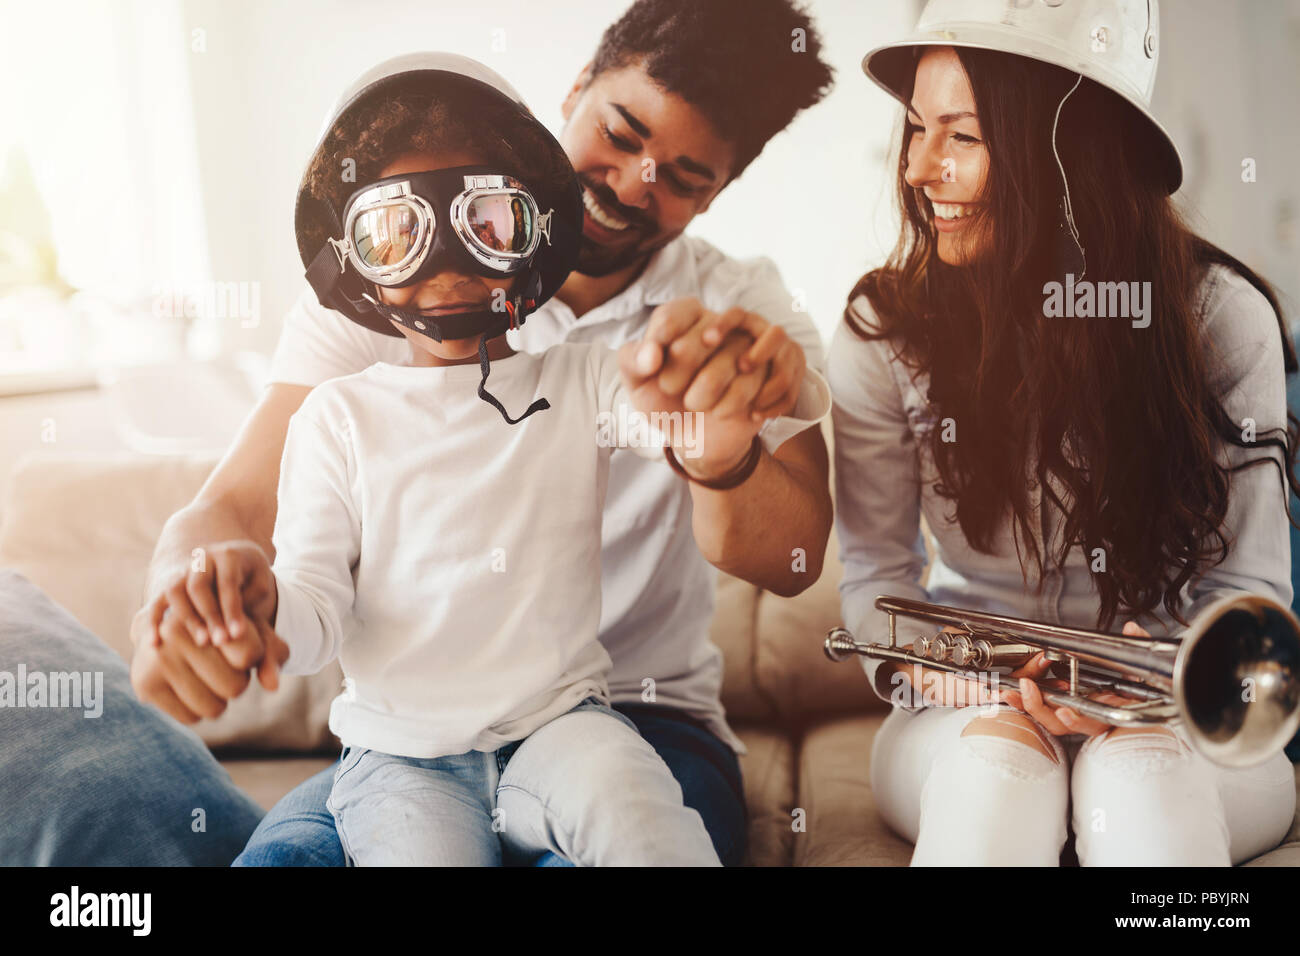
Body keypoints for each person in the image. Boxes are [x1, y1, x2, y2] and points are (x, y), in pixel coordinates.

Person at [0, 0, 834, 866]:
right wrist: (192, 598)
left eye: (685, 176)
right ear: (578, 86)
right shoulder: (375, 308)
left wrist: (715, 430)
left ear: (722, 189)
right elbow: (237, 511)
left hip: (629, 714)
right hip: (412, 742)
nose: (631, 186)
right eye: (620, 133)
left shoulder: (724, 317)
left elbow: (791, 555)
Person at [829, 0, 1299, 865]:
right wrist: (958, 678)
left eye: (962, 137)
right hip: (965, 713)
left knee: (1136, 780)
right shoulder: (881, 328)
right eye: (915, 128)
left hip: (1178, 721)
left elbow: (1251, 604)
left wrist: (1142, 686)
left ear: (1073, 152)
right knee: (1000, 779)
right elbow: (875, 578)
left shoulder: (1224, 321)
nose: (918, 168)